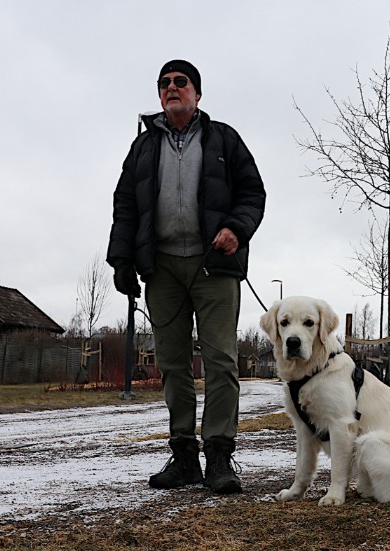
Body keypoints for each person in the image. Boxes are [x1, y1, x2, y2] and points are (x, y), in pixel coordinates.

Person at [106, 59, 266, 494]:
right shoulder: (142, 148)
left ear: (197, 93)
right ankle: (184, 458)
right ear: (160, 95)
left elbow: (253, 192)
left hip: (213, 264)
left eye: (181, 82)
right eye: (165, 84)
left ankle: (218, 457)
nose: (172, 88)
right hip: (162, 269)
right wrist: (121, 261)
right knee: (173, 365)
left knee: (220, 361)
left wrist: (236, 227)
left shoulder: (224, 139)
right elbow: (125, 206)